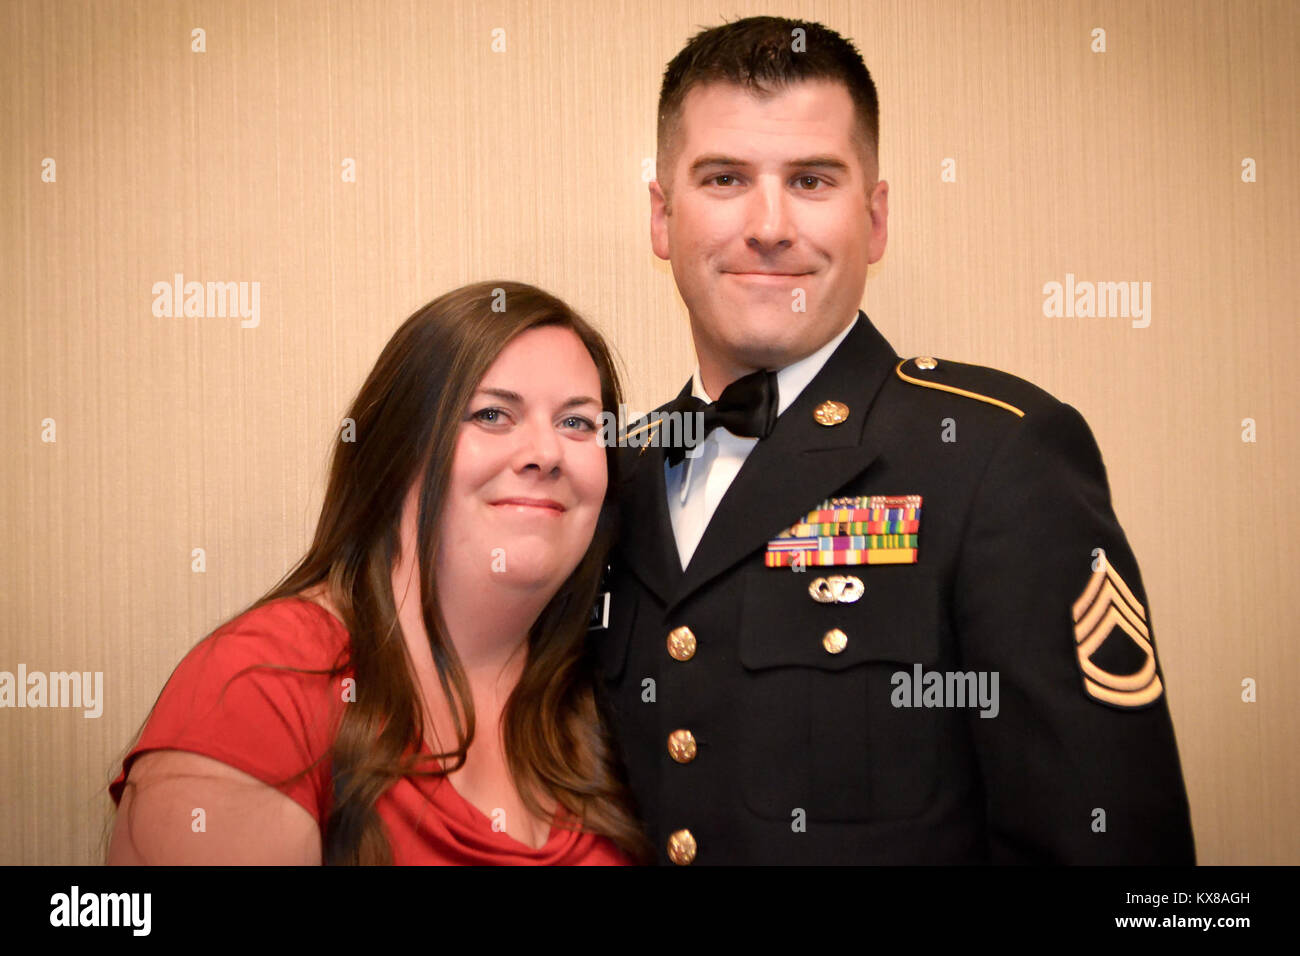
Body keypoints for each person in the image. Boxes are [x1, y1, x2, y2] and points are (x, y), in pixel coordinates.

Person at [593, 16, 1196, 864]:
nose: (769, 225)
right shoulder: (607, 475)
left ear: (874, 220)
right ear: (662, 217)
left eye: (811, 179)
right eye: (724, 177)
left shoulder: (998, 459)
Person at [108, 281, 648, 865]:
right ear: (396, 452)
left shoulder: (612, 691)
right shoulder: (261, 685)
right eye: (493, 414)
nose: (545, 452)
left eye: (578, 424)